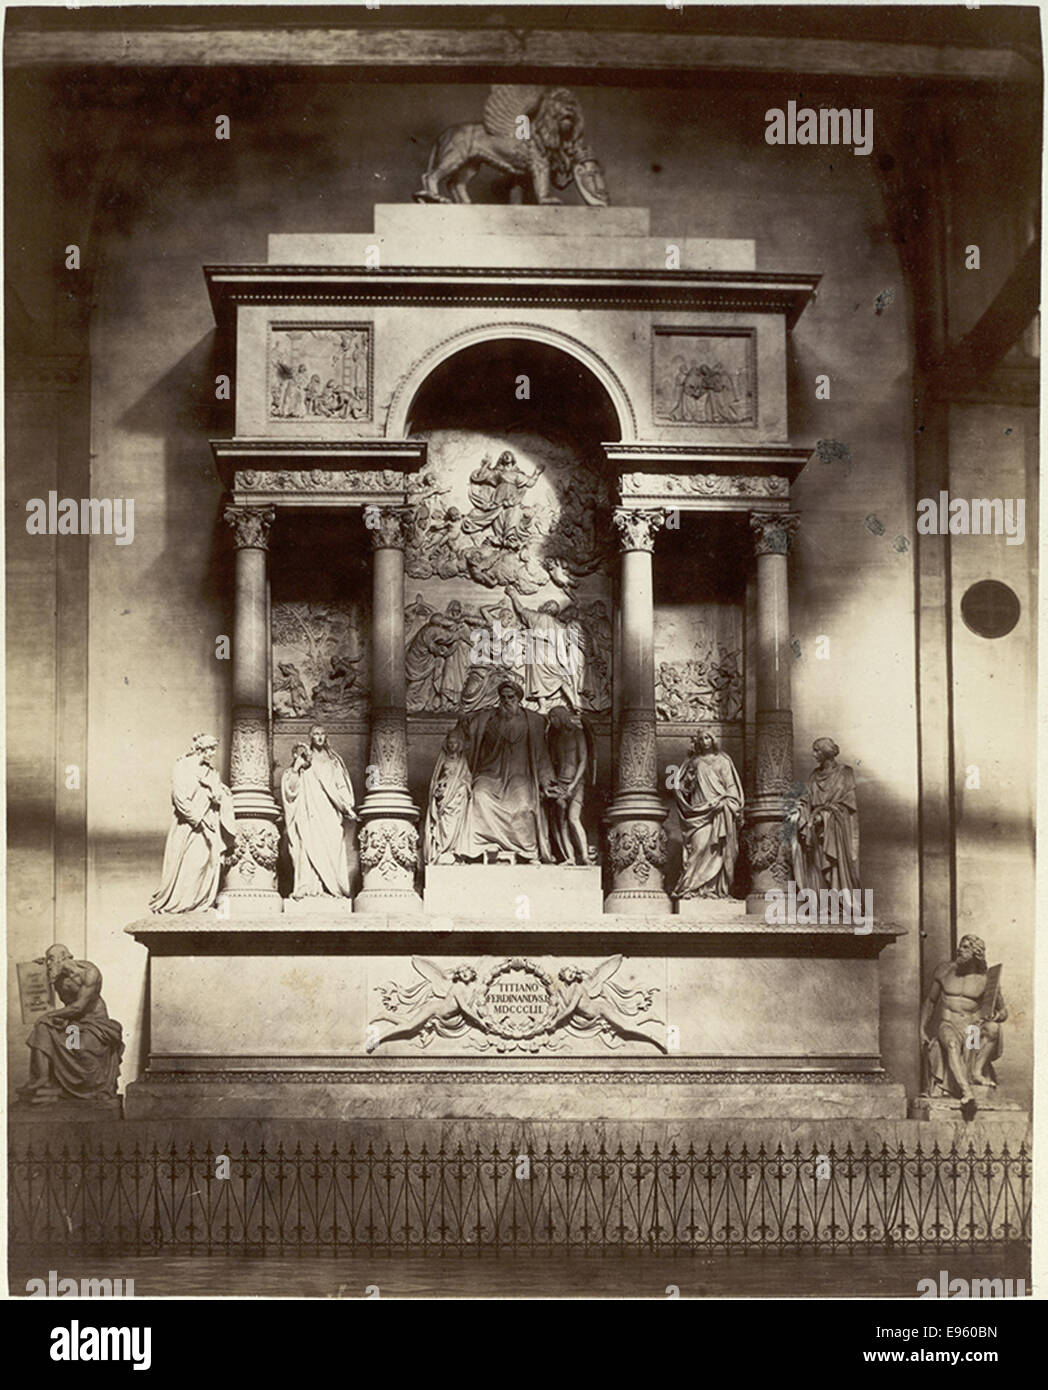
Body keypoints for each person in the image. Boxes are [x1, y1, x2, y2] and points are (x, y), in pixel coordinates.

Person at [456, 680, 558, 862]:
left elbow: (542, 755)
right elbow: (466, 727)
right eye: (503, 697)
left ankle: (527, 851)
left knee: (524, 804)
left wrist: (548, 782)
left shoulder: (533, 722)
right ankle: (481, 846)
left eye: (511, 697)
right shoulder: (488, 720)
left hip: (520, 776)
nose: (506, 701)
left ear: (518, 698)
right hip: (490, 773)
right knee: (479, 795)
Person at [18, 945, 123, 1104]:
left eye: (52, 959)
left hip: (95, 1025)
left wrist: (49, 1015)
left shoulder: (90, 973)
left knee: (79, 1046)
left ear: (65, 957)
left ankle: (92, 1088)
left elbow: (78, 1007)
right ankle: (42, 1081)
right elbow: (53, 999)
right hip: (73, 1023)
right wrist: (36, 970)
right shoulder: (54, 974)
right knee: (43, 1028)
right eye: (48, 960)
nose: (49, 964)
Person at [150, 732, 236, 913]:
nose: (213, 753)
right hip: (190, 826)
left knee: (207, 863)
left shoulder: (212, 772)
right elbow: (180, 798)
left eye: (214, 749)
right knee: (192, 864)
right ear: (200, 748)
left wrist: (215, 790)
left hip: (210, 823)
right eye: (211, 749)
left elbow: (219, 796)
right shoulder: (182, 766)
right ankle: (181, 905)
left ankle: (199, 904)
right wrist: (200, 821)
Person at [921, 935, 1007, 1106]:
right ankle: (967, 1092)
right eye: (961, 946)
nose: (960, 949)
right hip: (948, 1024)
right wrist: (921, 1029)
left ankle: (976, 1072)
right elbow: (930, 1002)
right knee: (952, 1045)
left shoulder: (986, 979)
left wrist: (996, 1017)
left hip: (971, 1029)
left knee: (993, 1029)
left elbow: (1003, 1011)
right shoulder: (944, 971)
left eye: (966, 947)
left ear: (976, 953)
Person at [280, 725, 357, 898]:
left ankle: (332, 888)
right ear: (310, 736)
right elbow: (291, 787)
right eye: (316, 734)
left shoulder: (334, 761)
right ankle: (309, 887)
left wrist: (347, 806)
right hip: (308, 810)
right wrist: (295, 768)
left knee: (333, 841)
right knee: (308, 844)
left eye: (322, 734)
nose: (319, 737)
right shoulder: (303, 760)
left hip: (330, 810)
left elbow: (341, 785)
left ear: (326, 736)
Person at [672, 731, 744, 899]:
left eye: (708, 737)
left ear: (713, 740)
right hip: (700, 812)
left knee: (718, 849)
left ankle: (715, 890)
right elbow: (682, 789)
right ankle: (690, 888)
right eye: (702, 738)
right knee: (698, 847)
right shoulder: (693, 762)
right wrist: (688, 781)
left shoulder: (723, 761)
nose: (705, 741)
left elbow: (731, 786)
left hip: (720, 810)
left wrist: (727, 802)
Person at [789, 737, 861, 893]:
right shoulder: (814, 776)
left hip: (835, 830)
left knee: (835, 867)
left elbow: (848, 805)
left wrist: (825, 816)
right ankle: (824, 905)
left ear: (827, 752)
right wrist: (798, 811)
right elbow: (806, 799)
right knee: (817, 867)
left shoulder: (845, 773)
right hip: (816, 830)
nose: (813, 754)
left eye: (817, 750)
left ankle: (841, 903)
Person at [547, 705, 594, 864]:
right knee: (562, 822)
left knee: (574, 819)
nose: (552, 722)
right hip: (560, 782)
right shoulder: (554, 737)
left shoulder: (577, 733)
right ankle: (570, 857)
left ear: (561, 717)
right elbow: (552, 762)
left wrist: (574, 784)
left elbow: (583, 761)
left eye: (553, 718)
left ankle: (585, 856)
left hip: (576, 782)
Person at [423, 729, 473, 863]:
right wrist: (438, 789)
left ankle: (453, 850)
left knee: (456, 824)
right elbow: (436, 779)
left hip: (457, 798)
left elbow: (468, 778)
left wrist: (463, 787)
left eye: (455, 743)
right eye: (450, 743)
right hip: (445, 797)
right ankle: (442, 850)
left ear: (459, 745)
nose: (452, 746)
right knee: (444, 824)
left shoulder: (463, 762)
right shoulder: (443, 760)